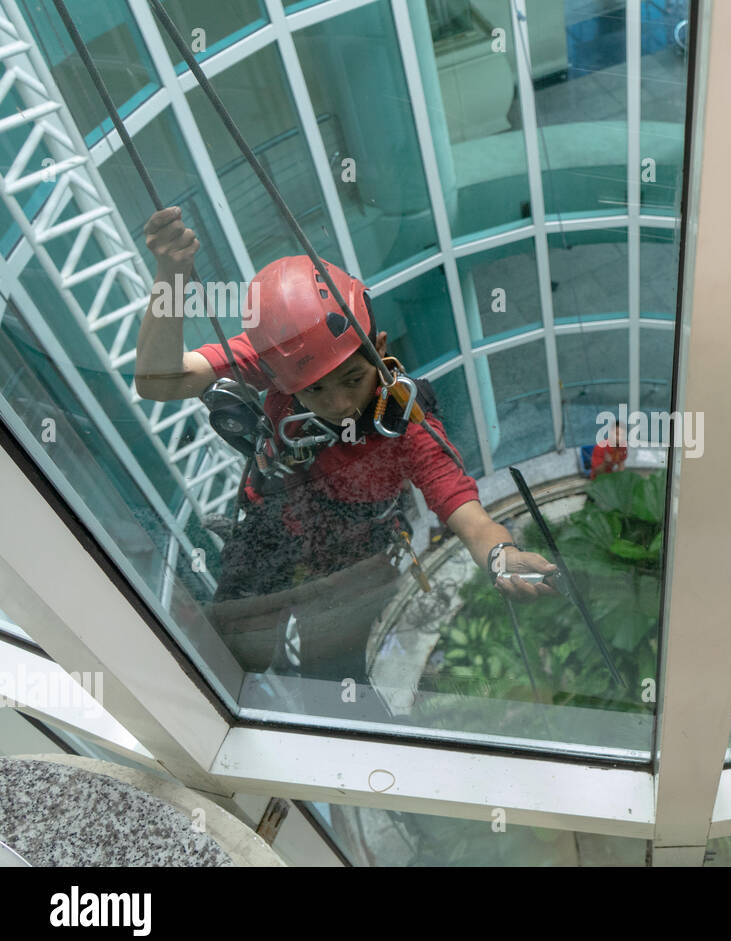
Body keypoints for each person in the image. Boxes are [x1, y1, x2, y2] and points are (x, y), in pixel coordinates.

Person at [135, 207, 558, 679]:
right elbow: (158, 382)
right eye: (314, 390)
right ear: (278, 376)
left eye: (353, 378)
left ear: (377, 345)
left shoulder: (405, 425)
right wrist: (170, 276)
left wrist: (500, 555)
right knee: (236, 662)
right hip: (273, 527)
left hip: (352, 551)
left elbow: (463, 509)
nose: (338, 403)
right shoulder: (282, 359)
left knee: (332, 673)